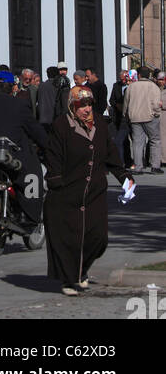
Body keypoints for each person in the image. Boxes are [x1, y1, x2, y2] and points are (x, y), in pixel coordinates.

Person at [43, 87, 135, 294]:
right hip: (67, 193)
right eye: (81, 105)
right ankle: (68, 280)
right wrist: (55, 179)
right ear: (72, 107)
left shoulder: (100, 125)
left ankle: (81, 270)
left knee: (98, 238)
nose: (86, 109)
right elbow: (53, 155)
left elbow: (110, 154)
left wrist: (124, 178)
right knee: (69, 240)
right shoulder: (61, 126)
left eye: (89, 105)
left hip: (94, 193)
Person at [0, 68, 49, 224]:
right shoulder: (19, 105)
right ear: (12, 87)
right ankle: (31, 215)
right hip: (12, 154)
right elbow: (34, 129)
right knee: (33, 171)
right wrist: (48, 146)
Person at [125, 66, 163, 173]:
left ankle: (138, 167)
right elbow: (156, 104)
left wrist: (126, 115)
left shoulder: (131, 87)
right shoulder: (153, 87)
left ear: (139, 75)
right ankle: (155, 166)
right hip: (150, 116)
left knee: (137, 142)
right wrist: (156, 113)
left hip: (135, 117)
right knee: (155, 140)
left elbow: (126, 103)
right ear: (149, 75)